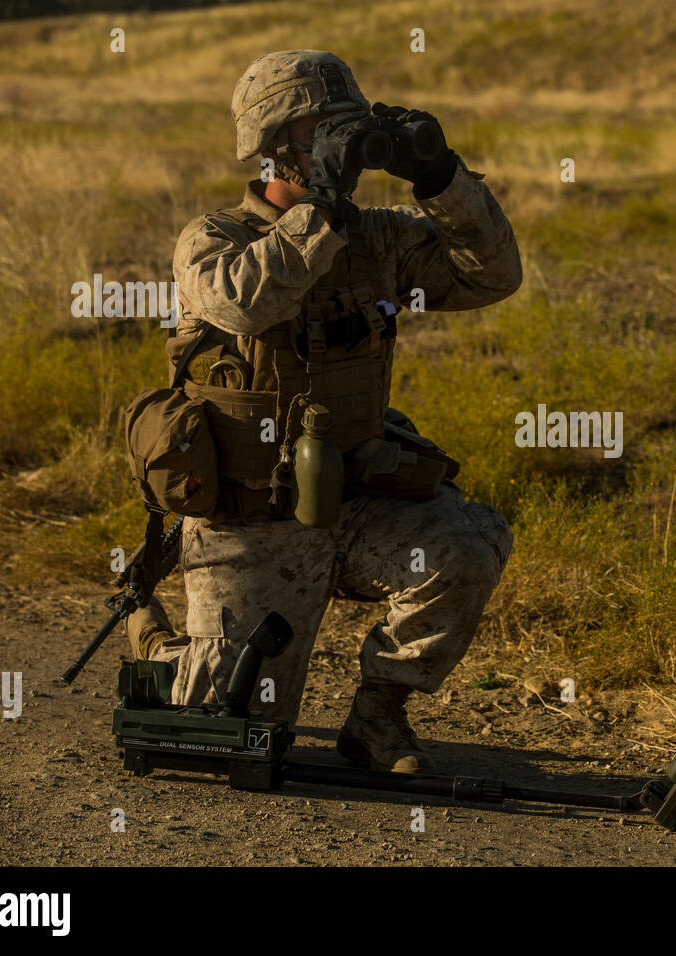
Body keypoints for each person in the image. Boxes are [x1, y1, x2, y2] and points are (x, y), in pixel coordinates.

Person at [126, 49, 521, 774]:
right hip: (251, 522)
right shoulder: (213, 240)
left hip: (354, 503)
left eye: (352, 130)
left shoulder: (376, 239)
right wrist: (321, 210)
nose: (346, 149)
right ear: (276, 148)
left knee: (465, 545)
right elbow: (242, 304)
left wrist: (442, 178)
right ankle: (155, 635)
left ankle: (377, 721)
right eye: (323, 134)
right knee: (227, 734)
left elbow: (492, 276)